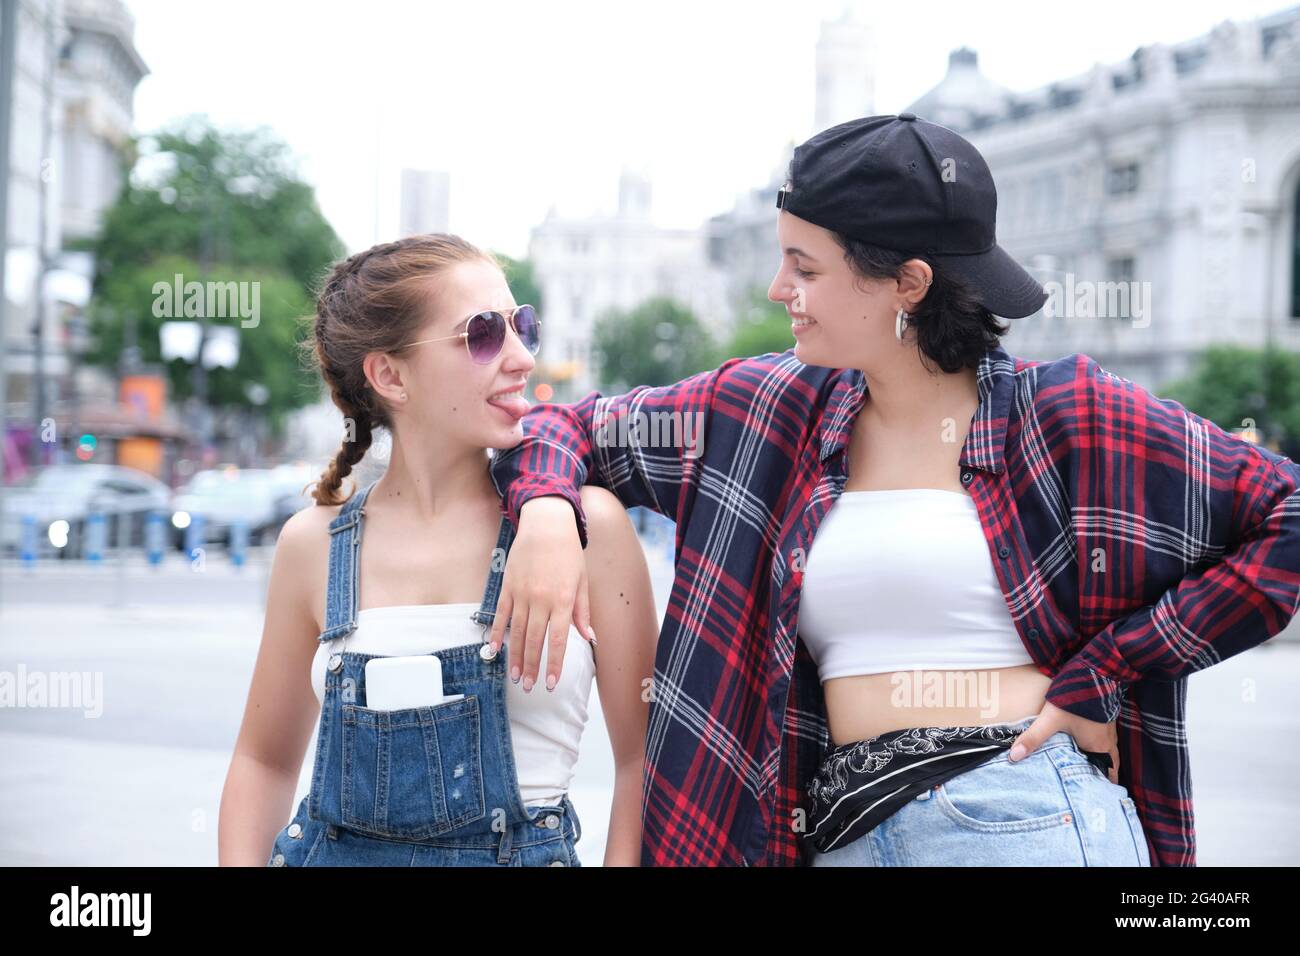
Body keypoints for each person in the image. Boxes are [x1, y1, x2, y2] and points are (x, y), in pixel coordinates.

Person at [486, 114, 1300, 866]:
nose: (779, 288)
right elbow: (568, 429)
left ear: (907, 283)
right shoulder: (766, 411)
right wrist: (551, 515)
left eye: (803, 266)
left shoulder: (1070, 416)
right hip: (844, 828)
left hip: (1017, 817)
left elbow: (1288, 516)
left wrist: (1111, 667)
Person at [217, 234, 659, 866]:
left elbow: (643, 759)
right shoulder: (313, 546)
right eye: (482, 334)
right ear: (390, 375)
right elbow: (262, 761)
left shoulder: (586, 528)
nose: (521, 359)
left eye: (522, 327)